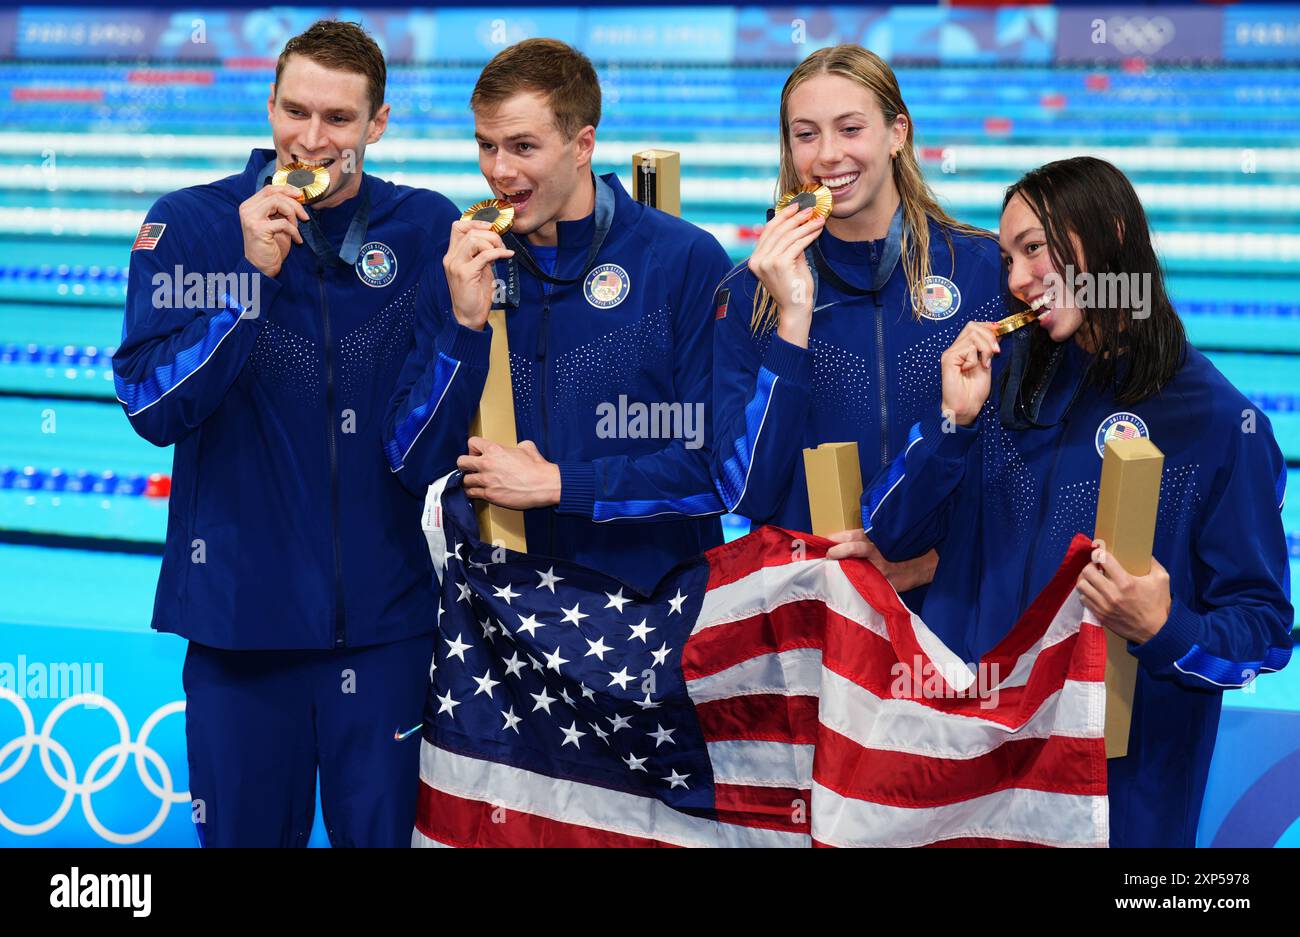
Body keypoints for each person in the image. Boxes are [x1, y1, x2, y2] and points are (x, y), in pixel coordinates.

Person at [854, 155, 1293, 847]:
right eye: (1008, 258)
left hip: (1114, 792)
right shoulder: (997, 386)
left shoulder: (1216, 423)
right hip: (972, 764)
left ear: (1112, 235)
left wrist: (1166, 625)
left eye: (1035, 248)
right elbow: (892, 533)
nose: (1018, 278)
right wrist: (951, 425)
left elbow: (1264, 633)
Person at [112, 20, 460, 846]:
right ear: (268, 105)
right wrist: (244, 284)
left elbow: (431, 438)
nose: (312, 139)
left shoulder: (422, 230)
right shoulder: (191, 226)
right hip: (241, 632)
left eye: (338, 120)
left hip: (383, 634)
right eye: (294, 111)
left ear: (377, 124)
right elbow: (151, 408)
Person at [385, 38, 733, 595]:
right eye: (486, 146)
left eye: (523, 146)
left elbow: (719, 471)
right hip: (506, 624)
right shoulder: (460, 267)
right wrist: (464, 331)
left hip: (649, 620)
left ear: (582, 144)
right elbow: (410, 463)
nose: (499, 171)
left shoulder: (681, 260)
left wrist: (558, 484)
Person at [710, 44, 1004, 600]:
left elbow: (1022, 467)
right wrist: (792, 321)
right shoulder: (748, 292)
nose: (827, 156)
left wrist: (932, 563)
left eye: (849, 129)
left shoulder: (984, 270)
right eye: (806, 134)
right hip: (805, 618)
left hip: (952, 605)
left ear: (898, 133)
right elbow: (744, 490)